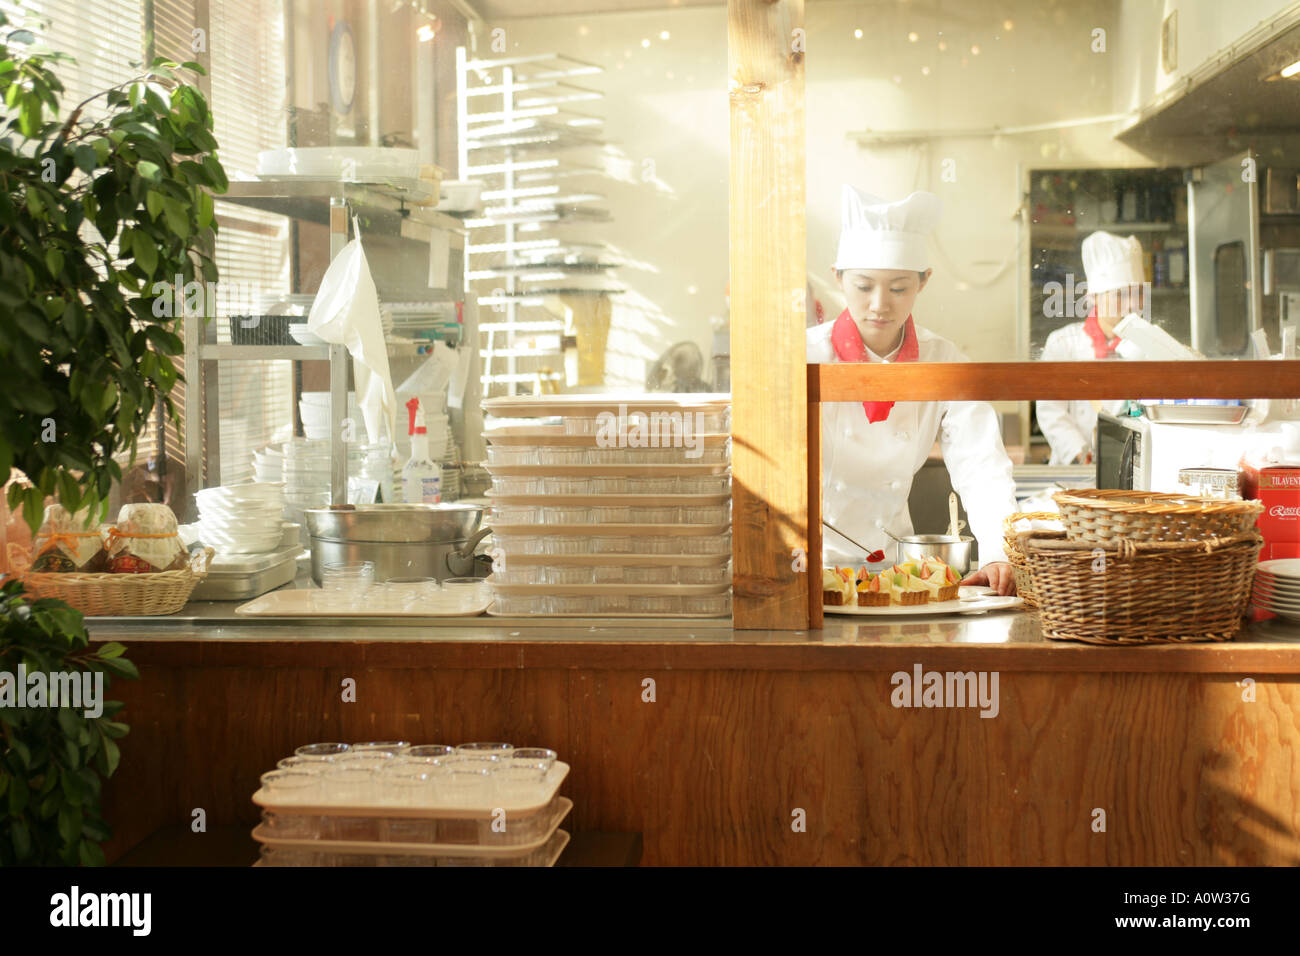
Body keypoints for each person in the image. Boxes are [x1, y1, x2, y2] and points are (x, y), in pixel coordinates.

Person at [807, 186, 1019, 595]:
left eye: (899, 288)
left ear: (924, 281)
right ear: (838, 278)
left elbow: (982, 463)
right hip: (811, 565)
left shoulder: (943, 360)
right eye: (864, 286)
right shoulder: (805, 356)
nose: (880, 305)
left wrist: (998, 550)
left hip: (894, 572)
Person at [1036, 231, 1144, 465]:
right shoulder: (1063, 343)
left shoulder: (1149, 347)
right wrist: (1080, 453)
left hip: (1132, 468)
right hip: (1073, 470)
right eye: (1120, 296)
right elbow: (1050, 410)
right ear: (1094, 297)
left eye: (1137, 294)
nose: (1132, 305)